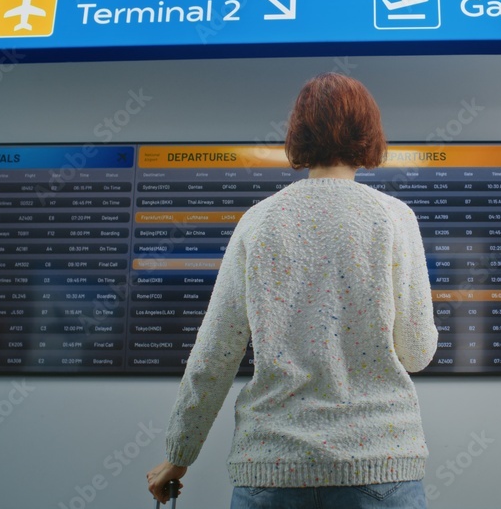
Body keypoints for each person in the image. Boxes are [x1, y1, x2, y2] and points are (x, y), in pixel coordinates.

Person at [147, 73, 438, 508]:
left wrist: (179, 455)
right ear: (370, 134)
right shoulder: (395, 218)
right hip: (380, 466)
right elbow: (416, 352)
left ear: (298, 133)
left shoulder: (259, 221)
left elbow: (214, 353)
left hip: (272, 469)